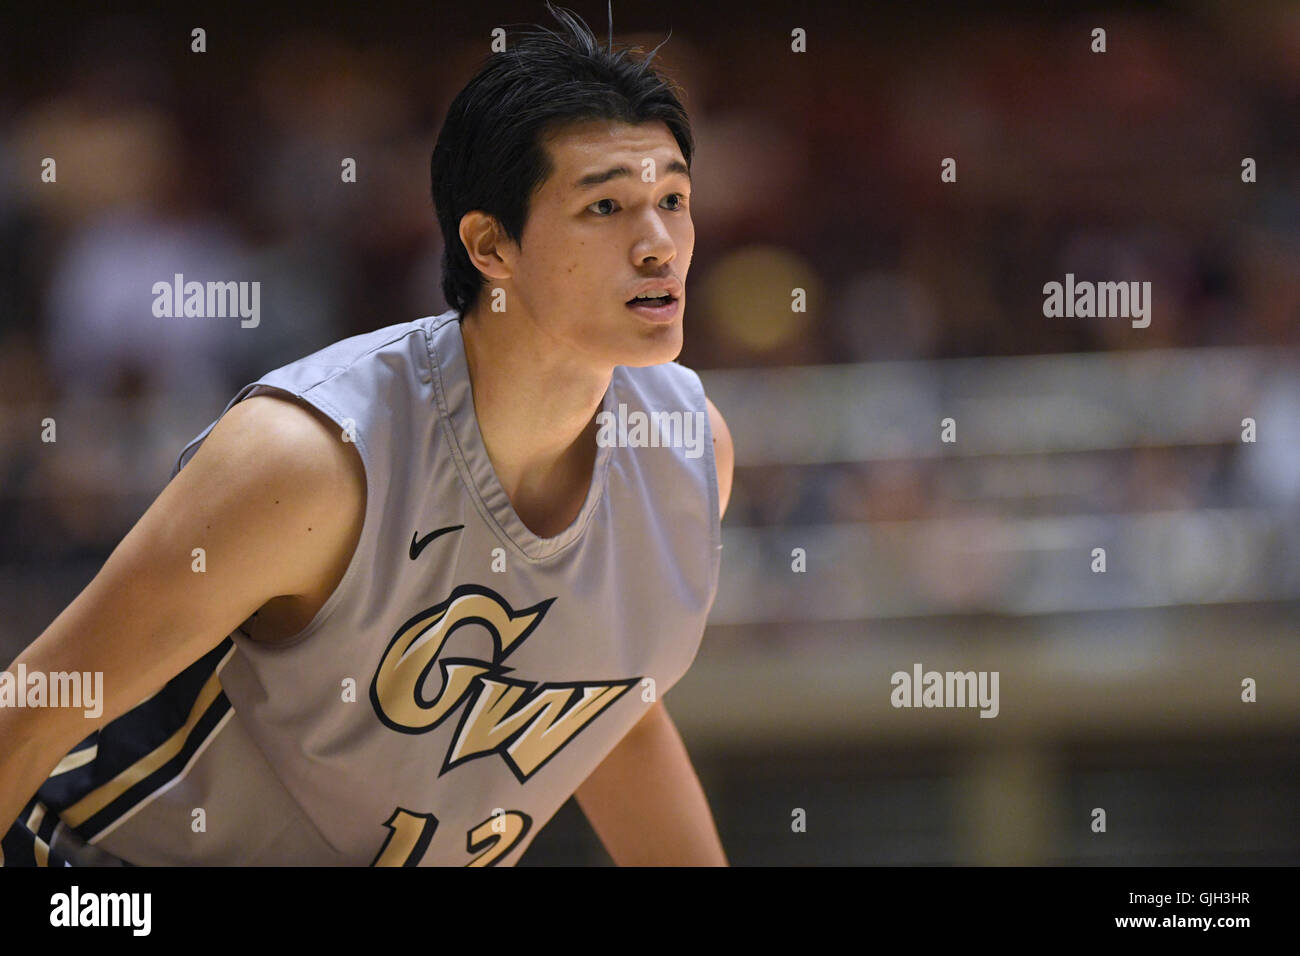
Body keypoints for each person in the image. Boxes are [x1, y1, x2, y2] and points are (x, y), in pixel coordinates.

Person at [0, 2, 733, 867]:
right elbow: (30, 712)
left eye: (673, 199)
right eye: (605, 206)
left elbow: (611, 709)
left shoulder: (685, 446)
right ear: (490, 246)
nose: (658, 245)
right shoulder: (307, 460)